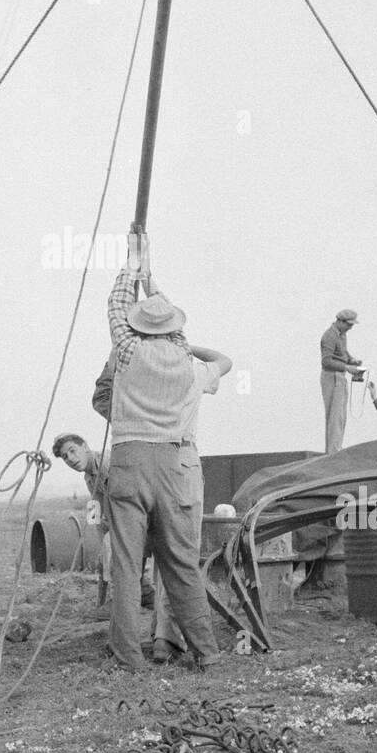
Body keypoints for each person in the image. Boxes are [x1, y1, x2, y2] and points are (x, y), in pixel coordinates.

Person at [102, 234, 231, 672]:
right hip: (176, 466)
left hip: (131, 462)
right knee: (181, 566)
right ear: (173, 330)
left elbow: (116, 306)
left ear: (137, 328)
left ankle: (129, 657)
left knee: (125, 565)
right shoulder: (187, 364)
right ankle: (207, 654)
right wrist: (153, 281)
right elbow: (212, 354)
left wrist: (132, 267)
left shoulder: (127, 351)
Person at [51, 432, 158, 611]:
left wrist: (112, 540)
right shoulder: (89, 477)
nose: (71, 459)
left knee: (116, 550)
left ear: (85, 446)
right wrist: (104, 543)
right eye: (65, 457)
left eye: (72, 450)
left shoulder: (108, 462)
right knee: (109, 548)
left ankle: (126, 601)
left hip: (146, 514)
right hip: (126, 522)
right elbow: (99, 512)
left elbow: (133, 498)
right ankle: (144, 595)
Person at [320, 309, 364, 453]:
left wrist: (352, 360)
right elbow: (326, 361)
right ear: (340, 321)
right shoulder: (329, 336)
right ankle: (333, 450)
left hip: (340, 376)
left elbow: (342, 352)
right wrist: (347, 367)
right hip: (332, 377)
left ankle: (335, 447)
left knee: (340, 416)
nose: (350, 328)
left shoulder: (342, 335)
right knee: (334, 414)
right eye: (349, 325)